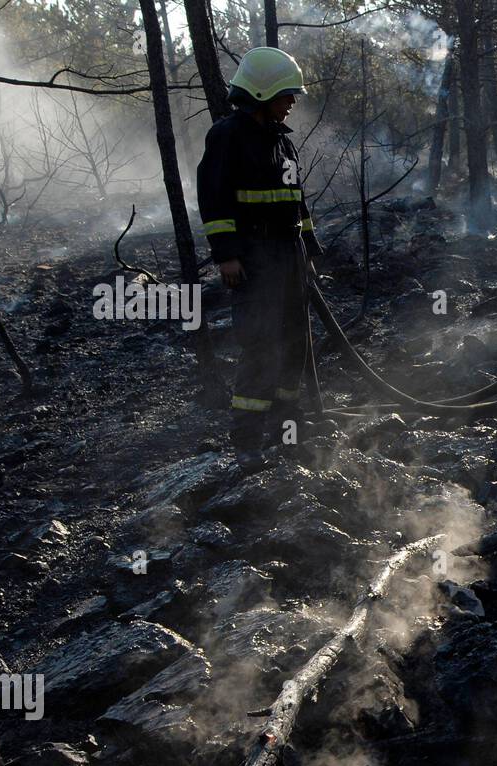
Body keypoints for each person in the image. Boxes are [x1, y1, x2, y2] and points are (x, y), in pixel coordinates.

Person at [196, 46, 323, 468]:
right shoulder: (228, 137)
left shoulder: (282, 144)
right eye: (287, 95)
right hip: (253, 258)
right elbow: (213, 200)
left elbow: (296, 201)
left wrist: (309, 250)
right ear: (263, 93)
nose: (292, 103)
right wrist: (227, 256)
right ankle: (247, 443)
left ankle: (288, 432)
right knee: (261, 346)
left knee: (295, 345)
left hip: (288, 256)